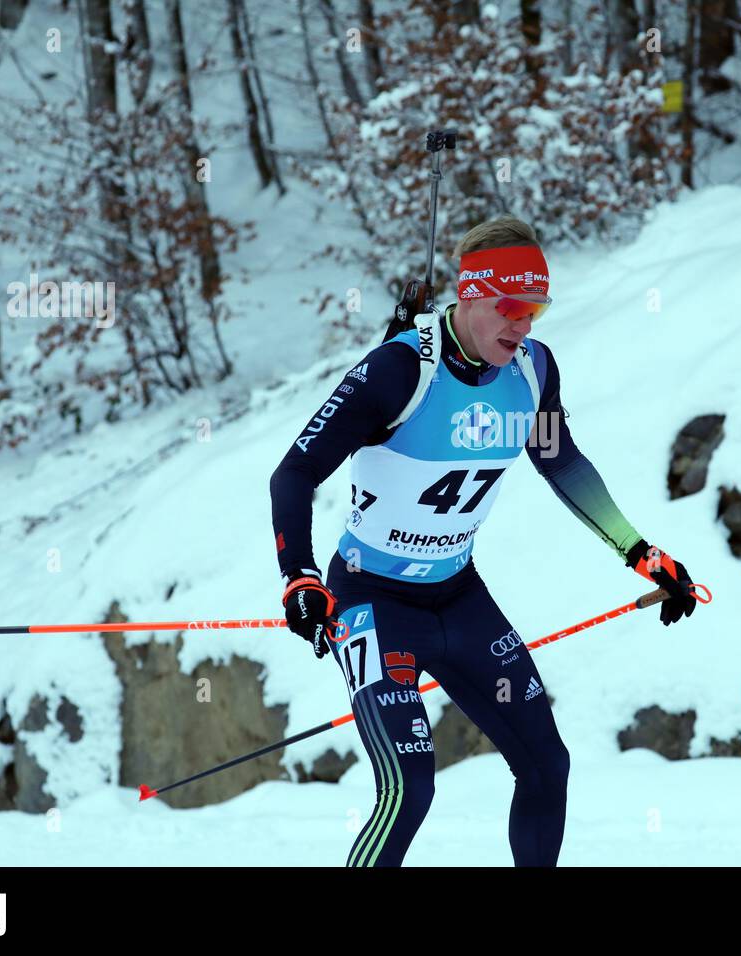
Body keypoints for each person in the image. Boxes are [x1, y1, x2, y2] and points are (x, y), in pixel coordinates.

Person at [269, 215, 698, 867]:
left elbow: (562, 463)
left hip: (459, 600)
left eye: (536, 310)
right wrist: (299, 577)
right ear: (469, 294)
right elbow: (294, 471)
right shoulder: (398, 370)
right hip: (369, 603)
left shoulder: (532, 371)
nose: (523, 326)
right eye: (510, 308)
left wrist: (642, 554)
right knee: (410, 788)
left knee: (547, 766)